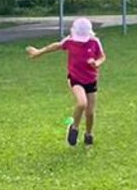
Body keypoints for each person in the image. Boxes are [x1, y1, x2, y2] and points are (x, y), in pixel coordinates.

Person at [25, 16, 103, 147]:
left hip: (91, 79)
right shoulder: (70, 41)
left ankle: (89, 134)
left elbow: (102, 56)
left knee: (90, 112)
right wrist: (39, 52)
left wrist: (96, 63)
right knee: (82, 103)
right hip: (75, 78)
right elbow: (56, 46)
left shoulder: (94, 42)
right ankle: (74, 128)